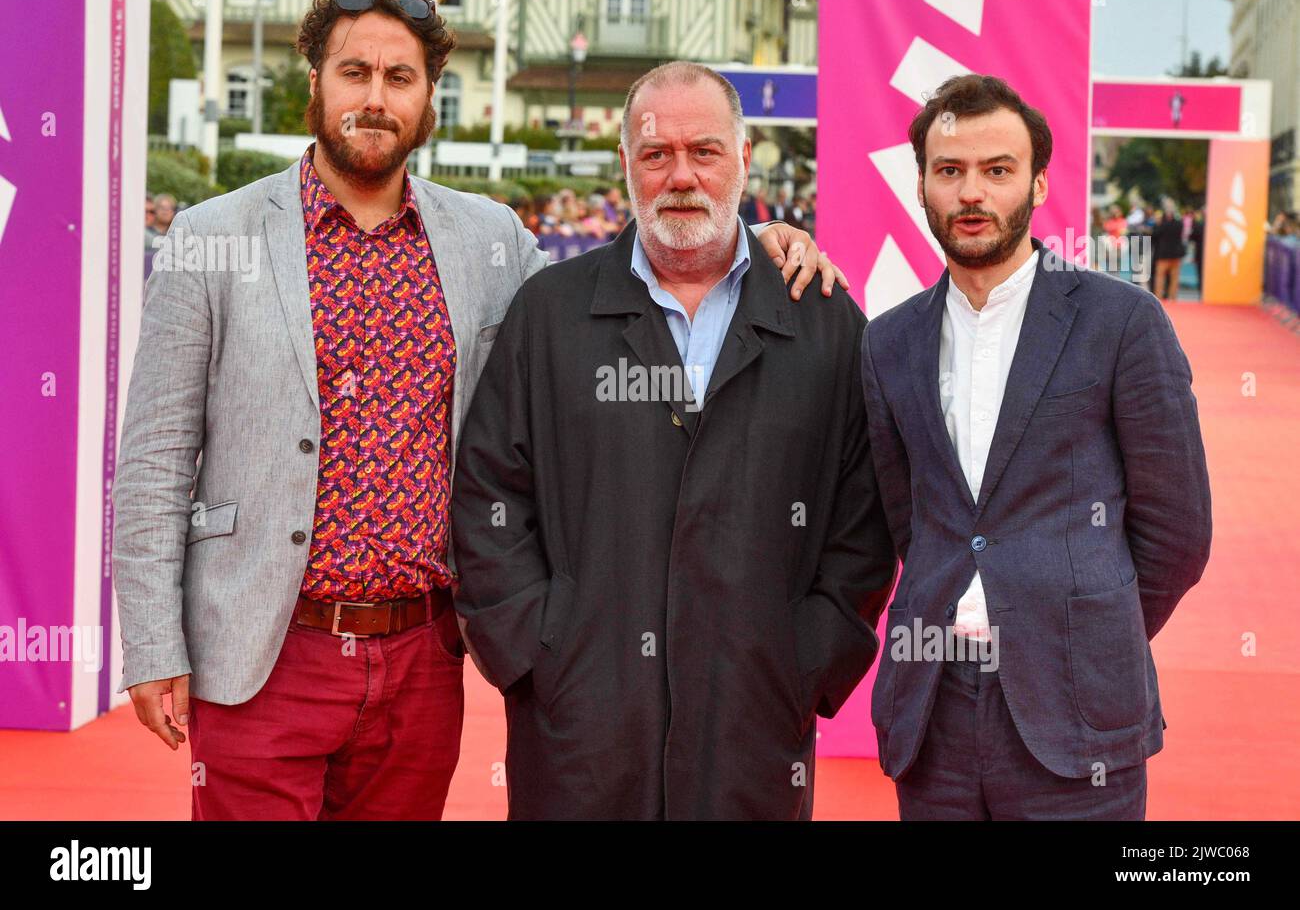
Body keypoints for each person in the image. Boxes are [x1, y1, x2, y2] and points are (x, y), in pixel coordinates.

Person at [112, 0, 843, 823]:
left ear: (428, 102)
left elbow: (619, 285)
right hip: (262, 650)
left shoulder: (492, 244)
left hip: (422, 660)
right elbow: (155, 460)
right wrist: (154, 643)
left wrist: (753, 241)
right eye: (355, 73)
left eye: (401, 78)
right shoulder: (214, 238)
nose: (375, 99)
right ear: (313, 82)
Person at [449, 61, 897, 820]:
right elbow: (488, 493)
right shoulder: (550, 314)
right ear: (627, 165)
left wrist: (805, 657)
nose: (680, 175)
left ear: (744, 159)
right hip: (580, 726)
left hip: (753, 721)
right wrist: (536, 653)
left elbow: (865, 517)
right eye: (656, 155)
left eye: (705, 151)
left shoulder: (823, 321)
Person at [860, 74, 1212, 820]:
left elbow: (1178, 533)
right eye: (949, 171)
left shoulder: (1121, 322)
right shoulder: (888, 342)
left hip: (1078, 713)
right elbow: (910, 522)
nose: (971, 193)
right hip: (935, 712)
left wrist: (1081, 623)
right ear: (921, 184)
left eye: (998, 169)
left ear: (1038, 183)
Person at [1152, 205, 1185, 300]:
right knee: (1174, 278)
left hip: (1163, 255)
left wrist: (1157, 224)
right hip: (1176, 254)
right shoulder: (1179, 224)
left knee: (1160, 278)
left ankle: (1159, 297)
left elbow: (1155, 235)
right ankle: (1173, 297)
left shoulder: (1162, 224)